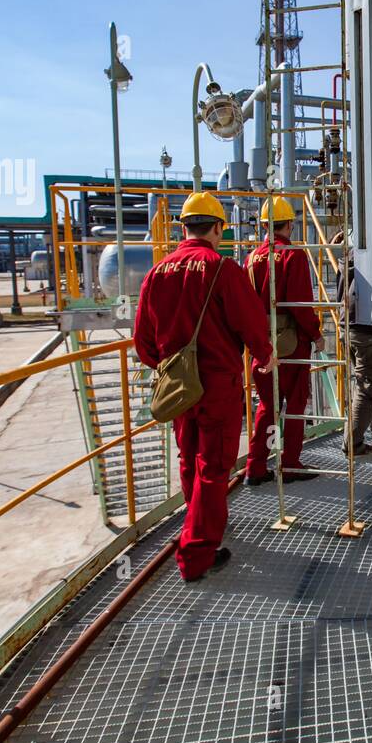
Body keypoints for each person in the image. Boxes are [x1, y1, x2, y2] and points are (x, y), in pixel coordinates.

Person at [134, 191, 276, 581]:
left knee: (188, 460)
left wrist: (171, 367)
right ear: (217, 228)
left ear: (183, 227)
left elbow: (142, 343)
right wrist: (264, 355)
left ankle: (201, 524)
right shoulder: (221, 268)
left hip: (180, 387)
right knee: (213, 467)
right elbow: (250, 322)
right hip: (218, 385)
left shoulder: (157, 272)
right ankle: (195, 556)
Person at [243, 197, 323, 485]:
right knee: (295, 405)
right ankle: (289, 464)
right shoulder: (294, 256)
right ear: (290, 224)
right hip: (292, 345)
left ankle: (256, 466)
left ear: (264, 225)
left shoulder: (251, 259)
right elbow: (300, 304)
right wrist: (316, 334)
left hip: (261, 346)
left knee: (268, 407)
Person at [337, 244, 372, 454]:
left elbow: (340, 293)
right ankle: (352, 444)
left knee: (368, 382)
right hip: (369, 331)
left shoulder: (349, 257)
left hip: (348, 327)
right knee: (368, 386)